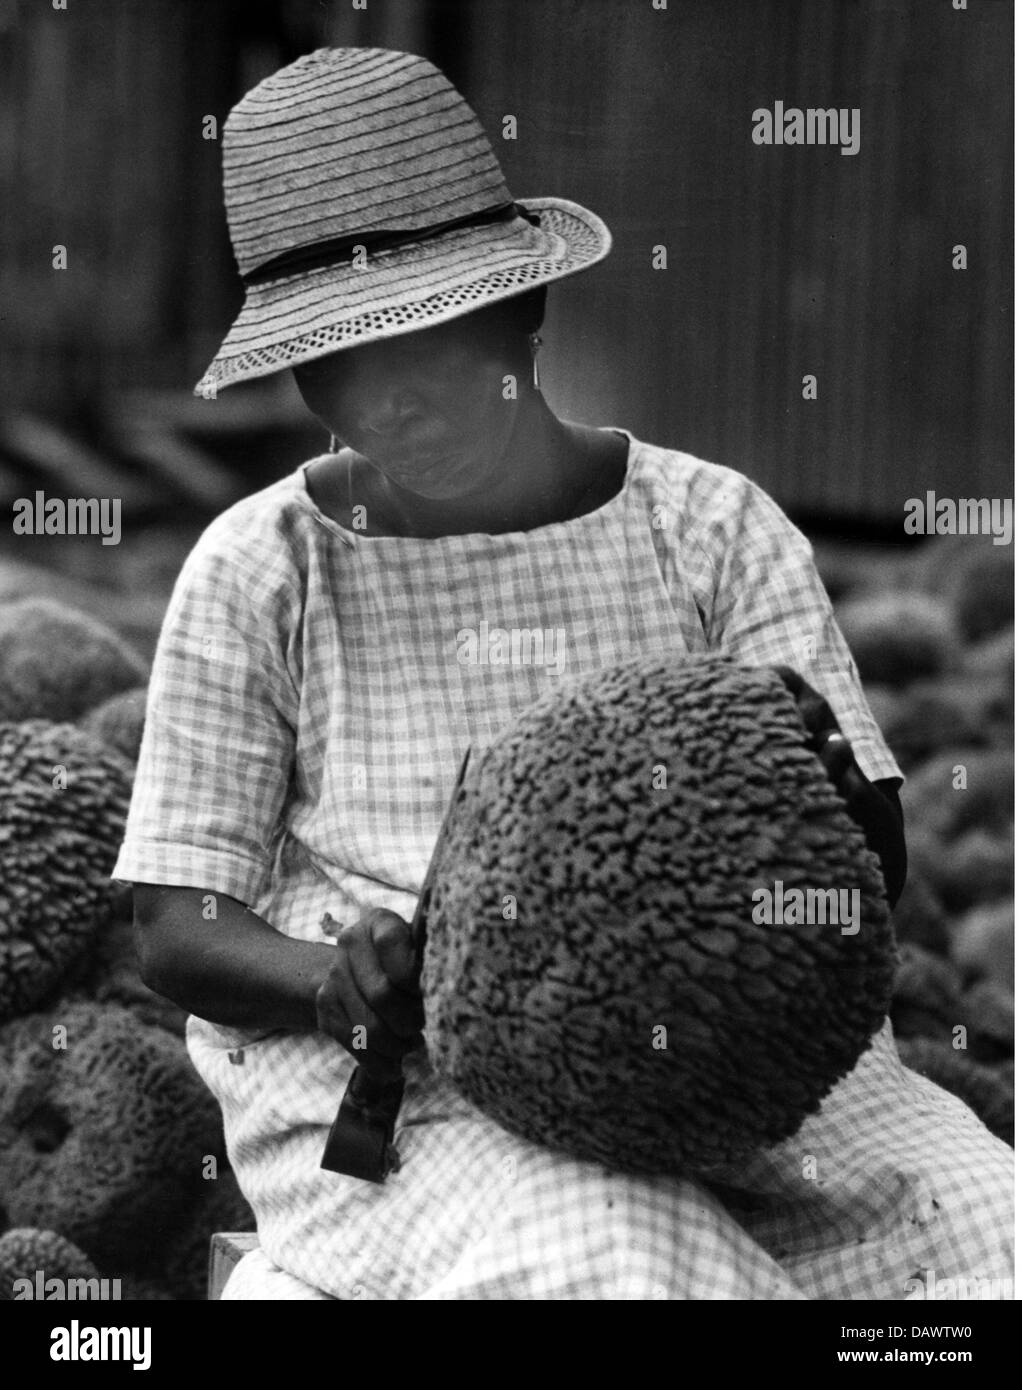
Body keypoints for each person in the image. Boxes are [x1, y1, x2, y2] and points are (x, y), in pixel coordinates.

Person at [114, 46, 1012, 1300]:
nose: (392, 403)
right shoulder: (263, 568)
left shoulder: (710, 527)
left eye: (427, 338)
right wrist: (333, 980)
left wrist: (823, 797)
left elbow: (871, 859)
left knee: (988, 1234)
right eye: (337, 361)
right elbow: (173, 920)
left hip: (744, 1057)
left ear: (523, 308)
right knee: (624, 1262)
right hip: (427, 1094)